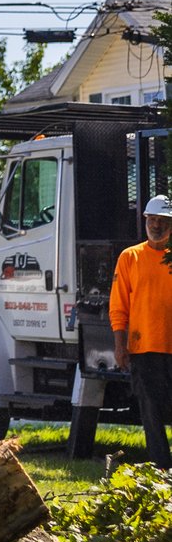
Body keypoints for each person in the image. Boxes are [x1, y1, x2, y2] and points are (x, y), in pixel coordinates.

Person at [110, 193, 172, 468]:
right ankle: (162, 470)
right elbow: (118, 306)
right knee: (151, 412)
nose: (156, 225)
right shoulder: (130, 257)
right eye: (152, 219)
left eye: (163, 220)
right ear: (145, 220)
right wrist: (120, 345)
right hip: (143, 348)